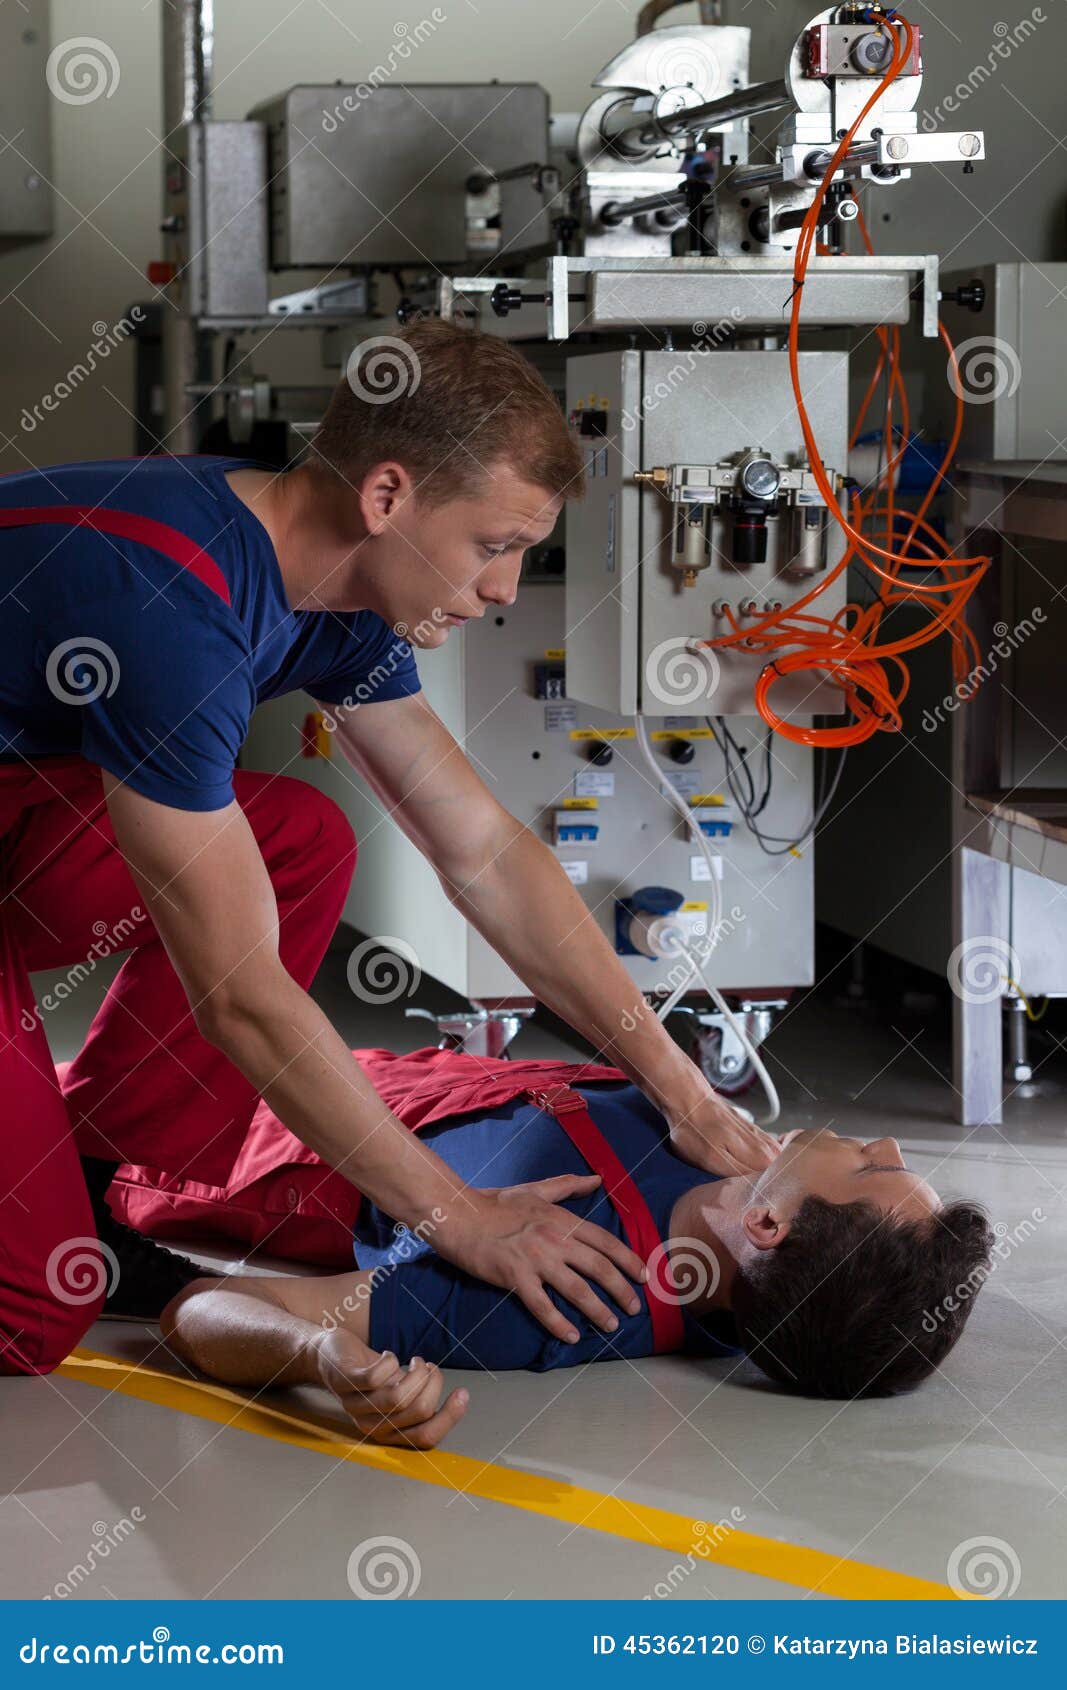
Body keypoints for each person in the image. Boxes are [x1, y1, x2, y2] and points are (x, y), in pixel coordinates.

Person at [0, 319, 779, 1377]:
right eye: (492, 546)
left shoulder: (344, 600)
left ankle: (92, 1184)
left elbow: (484, 852)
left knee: (296, 836)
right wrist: (452, 1213)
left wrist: (676, 1083)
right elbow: (235, 991)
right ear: (385, 496)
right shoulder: (172, 609)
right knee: (31, 1314)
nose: (504, 589)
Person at [154, 1046, 994, 1450]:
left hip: (215, 1121)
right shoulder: (736, 1163)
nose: (880, 1138)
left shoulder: (556, 1297)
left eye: (871, 1167)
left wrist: (317, 1352)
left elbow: (197, 1311)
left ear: (769, 1230)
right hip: (343, 1056)